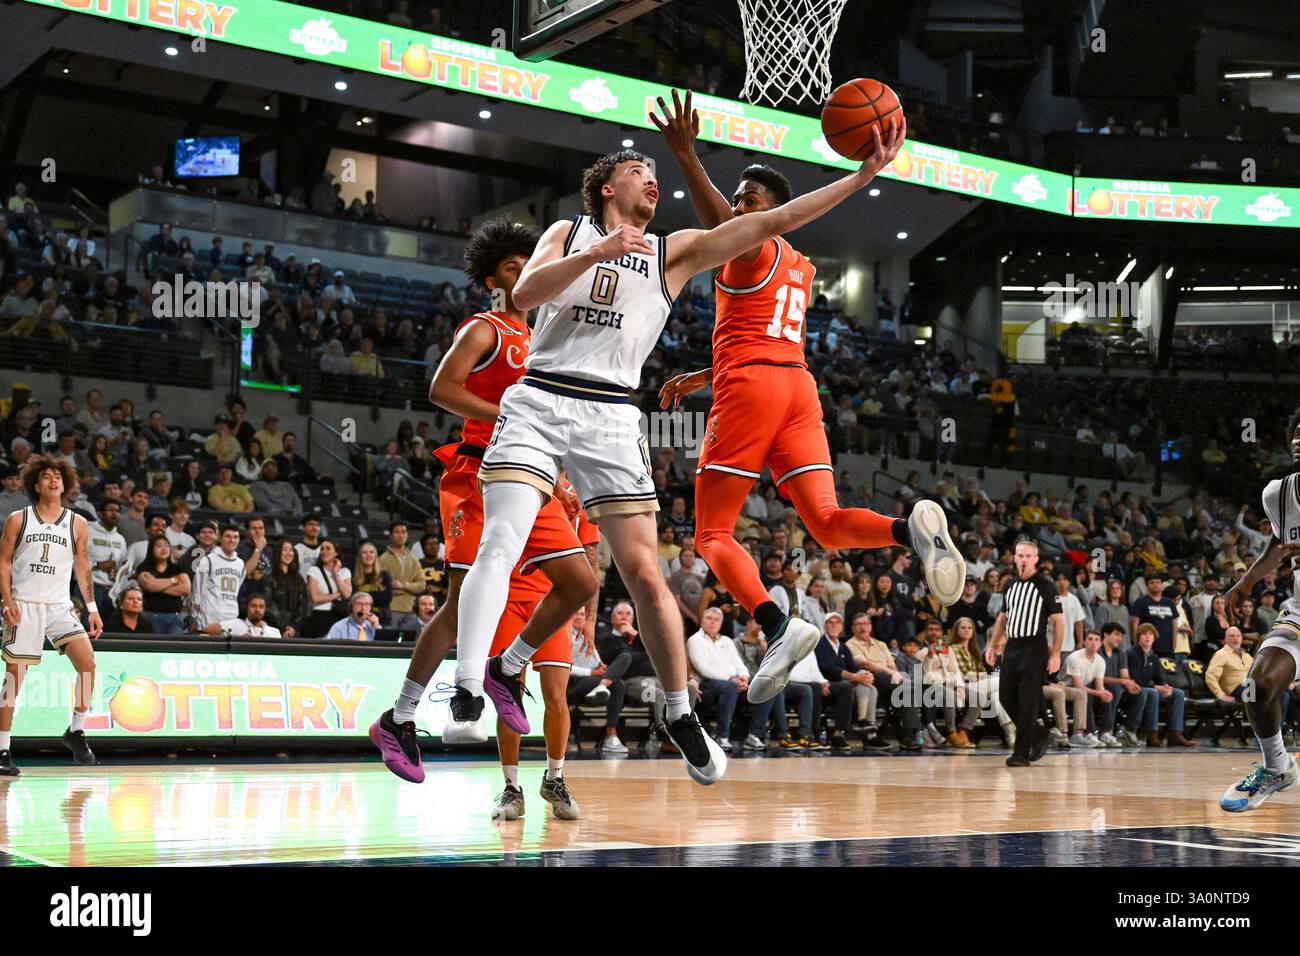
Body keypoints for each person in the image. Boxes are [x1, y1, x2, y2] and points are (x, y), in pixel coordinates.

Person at [442, 123, 909, 786]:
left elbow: (775, 219)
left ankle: (679, 711)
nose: (653, 180)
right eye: (640, 171)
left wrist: (862, 179)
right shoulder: (568, 233)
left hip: (610, 411)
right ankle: (468, 687)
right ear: (609, 187)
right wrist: (602, 249)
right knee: (503, 539)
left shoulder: (675, 251)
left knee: (645, 573)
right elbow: (525, 295)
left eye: (657, 176)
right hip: (541, 396)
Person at [653, 93, 959, 714]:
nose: (740, 207)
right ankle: (909, 531)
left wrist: (686, 156)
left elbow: (722, 232)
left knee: (712, 534)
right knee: (824, 521)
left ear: (768, 212)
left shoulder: (759, 244)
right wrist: (702, 373)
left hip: (754, 387)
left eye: (749, 201)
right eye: (739, 199)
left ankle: (775, 625)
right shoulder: (798, 264)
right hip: (794, 386)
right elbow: (760, 333)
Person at [368, 221, 600, 823]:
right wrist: (510, 412)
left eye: (532, 263)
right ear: (493, 277)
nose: (524, 273)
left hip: (538, 477)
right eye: (511, 266)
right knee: (457, 602)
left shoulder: (550, 338)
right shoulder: (486, 328)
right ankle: (399, 717)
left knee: (581, 583)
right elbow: (442, 389)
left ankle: (506, 666)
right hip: (478, 472)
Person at [0, 454, 103, 775]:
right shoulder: (19, 518)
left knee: (88, 663)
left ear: (66, 483)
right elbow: (3, 562)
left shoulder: (78, 523)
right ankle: (2, 748)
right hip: (25, 604)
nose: (53, 480)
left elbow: (82, 567)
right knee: (14, 680)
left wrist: (92, 608)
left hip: (60, 606)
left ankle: (75, 730)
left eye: (58, 475)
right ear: (36, 483)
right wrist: (6, 600)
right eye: (46, 476)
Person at [1220, 414, 1300, 810]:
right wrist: (1246, 582)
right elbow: (1279, 543)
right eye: (1296, 435)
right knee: (1259, 685)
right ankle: (1277, 767)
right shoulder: (1279, 493)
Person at [985, 539, 1064, 767]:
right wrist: (992, 646)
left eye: (1028, 556)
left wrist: (1056, 654)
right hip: (1012, 647)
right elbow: (1002, 618)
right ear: (1014, 557)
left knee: (1028, 701)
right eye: (1019, 555)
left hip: (1034, 647)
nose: (1023, 559)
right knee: (1005, 697)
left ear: (1036, 559)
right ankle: (1039, 734)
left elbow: (1059, 622)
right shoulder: (1009, 584)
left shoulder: (1045, 585)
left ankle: (1021, 752)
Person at [566, 606, 631, 755]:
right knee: (617, 683)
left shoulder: (588, 635)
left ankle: (611, 736)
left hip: (593, 680)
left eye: (582, 614)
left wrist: (599, 665)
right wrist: (592, 671)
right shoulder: (564, 636)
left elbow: (594, 660)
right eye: (575, 613)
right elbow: (564, 667)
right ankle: (602, 685)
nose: (579, 617)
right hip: (573, 683)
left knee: (624, 665)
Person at [686, 606, 749, 752]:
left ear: (721, 623)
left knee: (759, 689)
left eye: (716, 620)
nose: (712, 622)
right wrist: (731, 678)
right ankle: (723, 736)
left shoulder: (727, 641)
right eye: (709, 618)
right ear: (701, 620)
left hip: (731, 682)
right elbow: (705, 669)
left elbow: (739, 663)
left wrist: (744, 677)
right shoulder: (694, 640)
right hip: (705, 683)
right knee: (730, 687)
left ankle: (755, 735)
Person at [1127, 623, 1192, 747]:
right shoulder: (1131, 653)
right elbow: (1135, 679)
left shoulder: (1154, 656)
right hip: (1137, 689)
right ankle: (1152, 734)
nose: (1147, 637)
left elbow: (1158, 678)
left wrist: (1165, 686)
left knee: (1178, 693)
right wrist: (1156, 687)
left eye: (1150, 634)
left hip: (1151, 688)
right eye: (1144, 634)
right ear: (1138, 637)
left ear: (1154, 638)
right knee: (1154, 693)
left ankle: (1175, 734)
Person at [189, 525, 247, 633]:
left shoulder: (241, 564)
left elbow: (238, 589)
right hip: (210, 617)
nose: (232, 540)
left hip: (232, 616)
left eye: (235, 537)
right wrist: (194, 616)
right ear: (220, 538)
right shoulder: (208, 561)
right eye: (228, 536)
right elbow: (197, 592)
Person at [378, 521, 424, 631]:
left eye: (403, 532)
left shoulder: (413, 559)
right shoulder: (383, 559)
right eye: (397, 532)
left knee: (411, 644)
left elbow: (422, 585)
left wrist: (403, 586)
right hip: (392, 609)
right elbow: (380, 586)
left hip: (410, 609)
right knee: (391, 642)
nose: (401, 535)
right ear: (391, 535)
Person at [85, 498, 127, 614]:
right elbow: (74, 561)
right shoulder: (87, 532)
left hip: (112, 591)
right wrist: (97, 564)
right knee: (86, 627)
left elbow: (121, 565)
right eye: (110, 510)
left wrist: (118, 571)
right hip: (90, 588)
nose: (115, 514)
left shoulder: (121, 539)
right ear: (100, 513)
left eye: (118, 511)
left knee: (108, 629)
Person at [303, 539, 350, 639]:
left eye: (328, 549)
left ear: (336, 553)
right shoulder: (314, 570)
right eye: (322, 549)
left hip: (339, 615)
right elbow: (315, 598)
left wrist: (335, 574)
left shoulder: (345, 571)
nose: (324, 552)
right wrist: (338, 594)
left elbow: (347, 594)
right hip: (320, 616)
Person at [199, 593, 282, 639]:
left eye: (261, 607)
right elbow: (206, 630)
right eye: (253, 606)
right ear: (246, 608)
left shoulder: (275, 632)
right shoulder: (236, 624)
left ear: (265, 610)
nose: (257, 609)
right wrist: (238, 639)